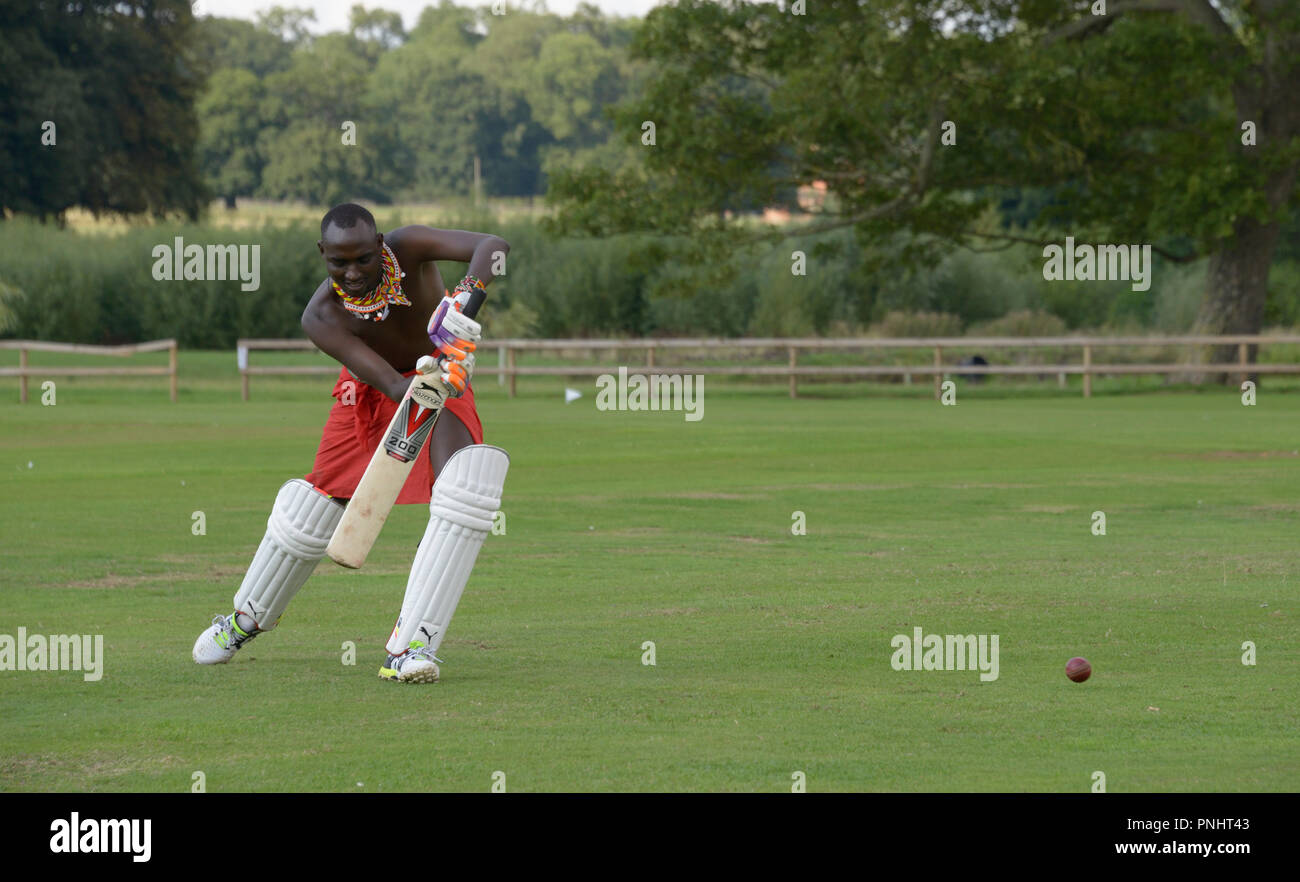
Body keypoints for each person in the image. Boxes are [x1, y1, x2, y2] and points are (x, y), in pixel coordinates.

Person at [191, 203, 510, 684]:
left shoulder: (410, 245)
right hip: (377, 388)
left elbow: (494, 247)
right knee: (313, 508)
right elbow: (396, 385)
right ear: (322, 254)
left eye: (363, 258)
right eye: (338, 262)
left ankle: (412, 647)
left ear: (381, 244)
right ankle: (245, 620)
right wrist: (433, 372)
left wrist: (465, 301)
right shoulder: (320, 316)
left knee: (465, 488)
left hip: (436, 376)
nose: (353, 272)